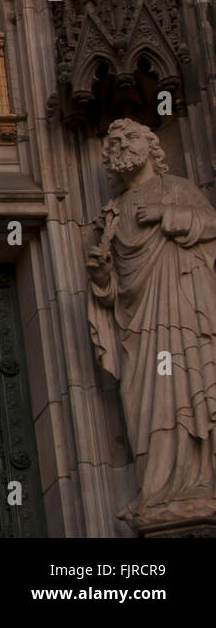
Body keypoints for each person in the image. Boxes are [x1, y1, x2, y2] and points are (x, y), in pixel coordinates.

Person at [87, 119, 216, 529]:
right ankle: (155, 489)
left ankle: (194, 486)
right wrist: (102, 276)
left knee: (182, 392)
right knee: (145, 403)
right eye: (113, 142)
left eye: (129, 138)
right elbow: (109, 298)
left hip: (179, 315)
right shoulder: (112, 213)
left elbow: (211, 227)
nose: (120, 146)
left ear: (151, 146)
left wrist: (167, 215)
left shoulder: (178, 188)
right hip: (137, 331)